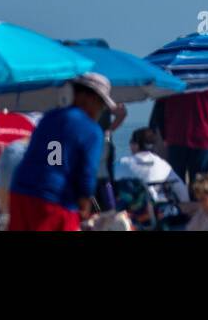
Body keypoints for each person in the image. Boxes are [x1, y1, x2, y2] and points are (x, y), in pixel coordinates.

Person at [10, 72, 114, 231]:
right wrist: (85, 200)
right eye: (101, 104)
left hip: (21, 192)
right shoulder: (91, 130)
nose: (101, 110)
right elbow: (87, 172)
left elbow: (52, 157)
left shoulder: (51, 117)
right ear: (89, 97)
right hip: (54, 201)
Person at [150, 87, 208, 189]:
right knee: (204, 189)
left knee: (176, 187)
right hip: (206, 139)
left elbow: (159, 111)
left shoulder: (171, 80)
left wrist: (165, 136)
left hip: (177, 137)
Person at [113, 127, 189, 203]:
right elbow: (180, 189)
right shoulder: (163, 165)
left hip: (132, 209)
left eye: (131, 142)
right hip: (160, 208)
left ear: (136, 145)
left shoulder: (123, 163)